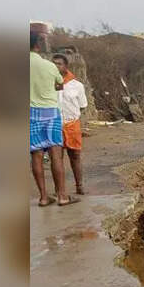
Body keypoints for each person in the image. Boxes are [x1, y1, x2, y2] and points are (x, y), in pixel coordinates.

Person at [30, 31, 75, 206]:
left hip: (29, 112)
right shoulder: (49, 66)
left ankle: (43, 197)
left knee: (36, 155)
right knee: (56, 154)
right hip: (50, 111)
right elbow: (59, 83)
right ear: (37, 45)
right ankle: (62, 196)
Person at [53, 53, 88, 195]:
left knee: (75, 156)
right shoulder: (48, 83)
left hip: (72, 124)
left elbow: (82, 105)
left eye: (59, 64)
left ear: (65, 66)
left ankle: (79, 186)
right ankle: (59, 190)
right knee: (56, 158)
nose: (55, 66)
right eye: (53, 63)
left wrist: (71, 116)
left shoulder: (77, 85)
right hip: (55, 124)